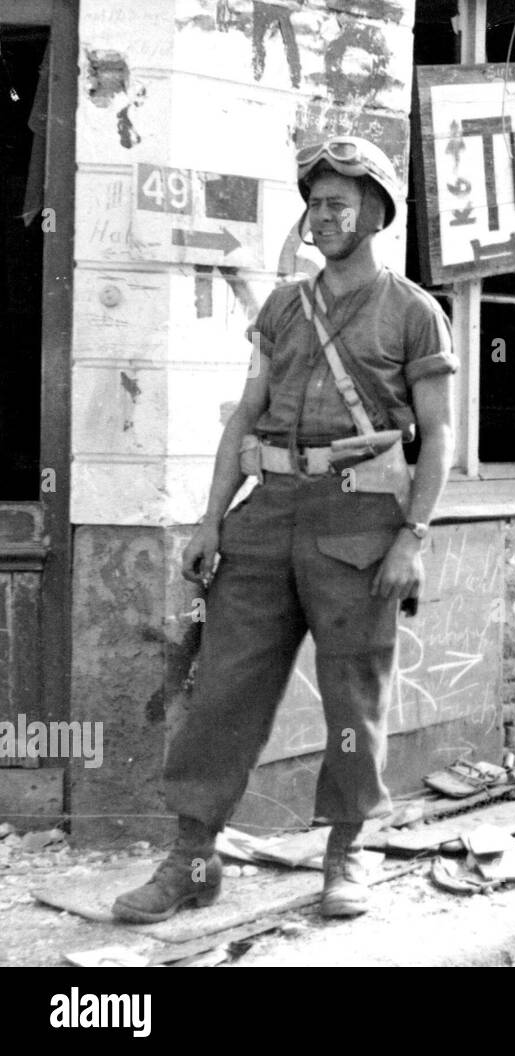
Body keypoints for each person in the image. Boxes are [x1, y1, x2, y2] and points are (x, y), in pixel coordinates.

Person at [113, 136, 457, 922]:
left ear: (375, 212)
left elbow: (437, 436)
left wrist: (414, 535)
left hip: (361, 521)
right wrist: (210, 519)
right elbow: (246, 412)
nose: (324, 215)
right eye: (316, 202)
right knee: (224, 689)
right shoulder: (282, 306)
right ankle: (192, 858)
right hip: (266, 516)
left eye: (340, 202)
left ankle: (348, 852)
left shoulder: (413, 312)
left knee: (351, 696)